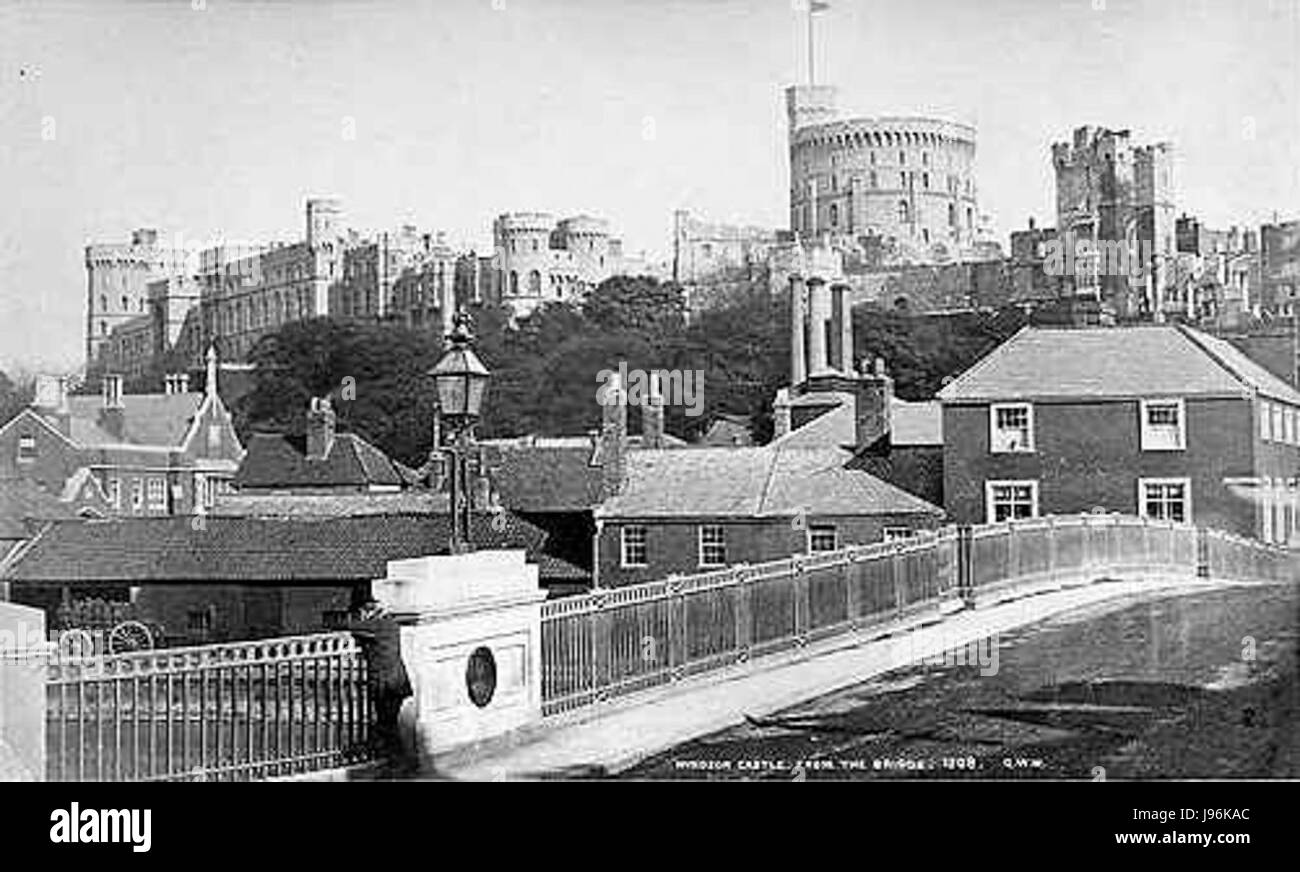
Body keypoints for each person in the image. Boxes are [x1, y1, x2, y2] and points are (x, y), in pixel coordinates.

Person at [349, 599, 414, 770]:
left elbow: (352, 626)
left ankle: (399, 762)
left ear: (369, 612)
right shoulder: (390, 624)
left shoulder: (378, 625)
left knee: (387, 725)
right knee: (389, 723)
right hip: (396, 682)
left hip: (386, 684)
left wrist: (361, 619)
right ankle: (398, 760)